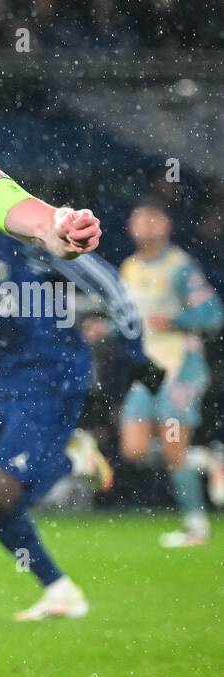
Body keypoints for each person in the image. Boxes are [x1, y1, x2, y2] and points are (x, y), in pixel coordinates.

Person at [0, 237, 161, 620]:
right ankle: (59, 590)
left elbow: (105, 281)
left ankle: (72, 459)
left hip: (48, 375)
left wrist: (135, 351)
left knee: (0, 494)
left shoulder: (27, 231)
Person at [118, 200, 224, 547]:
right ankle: (208, 458)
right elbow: (130, 320)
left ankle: (196, 528)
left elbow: (213, 313)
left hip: (181, 367)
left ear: (166, 225)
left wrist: (177, 321)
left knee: (173, 445)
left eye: (152, 218)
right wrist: (103, 328)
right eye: (139, 218)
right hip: (147, 370)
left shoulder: (180, 267)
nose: (145, 225)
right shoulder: (129, 268)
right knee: (133, 449)